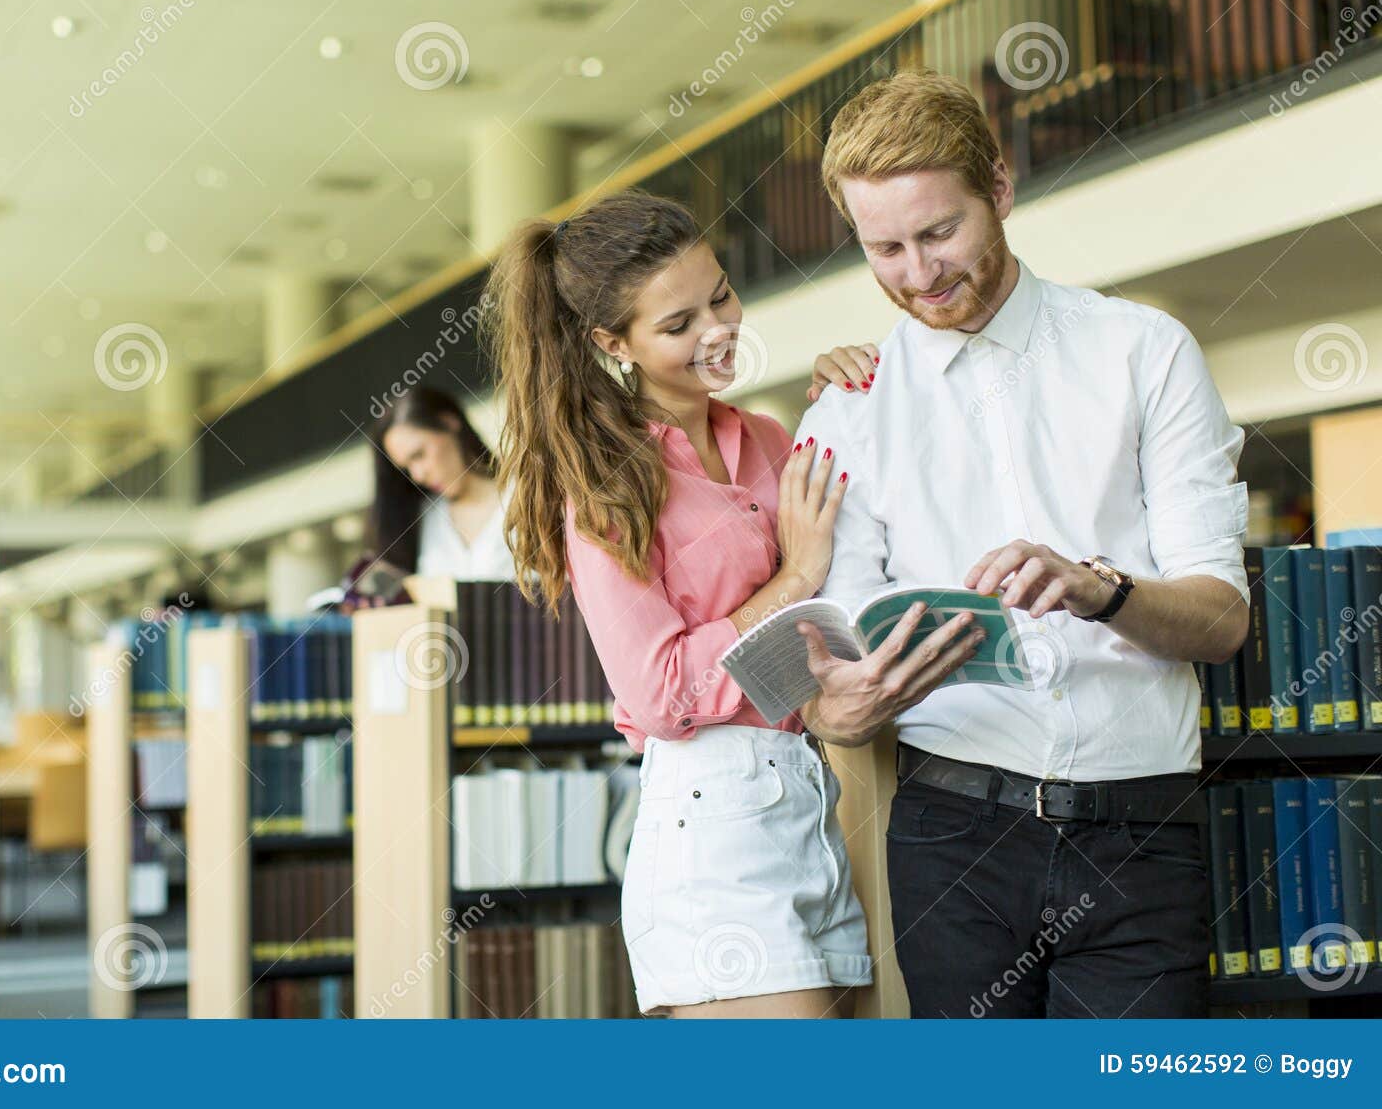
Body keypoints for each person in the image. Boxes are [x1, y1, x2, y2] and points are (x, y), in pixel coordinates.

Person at [794, 69, 1250, 1018]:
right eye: (885, 248)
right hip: (950, 840)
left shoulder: (1143, 351)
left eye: (939, 232)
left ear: (999, 188)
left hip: (1139, 833)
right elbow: (836, 706)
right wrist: (849, 700)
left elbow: (1221, 622)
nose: (918, 275)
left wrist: (1097, 587)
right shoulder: (850, 410)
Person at [485, 186, 907, 1019]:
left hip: (816, 803)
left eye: (720, 295)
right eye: (678, 325)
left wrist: (848, 401)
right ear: (616, 342)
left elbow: (844, 595)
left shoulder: (770, 439)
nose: (717, 330)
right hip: (712, 830)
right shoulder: (609, 486)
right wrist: (792, 583)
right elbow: (662, 693)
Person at [366, 387, 517, 585]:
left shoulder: (526, 493)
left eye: (419, 455)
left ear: (449, 422)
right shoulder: (425, 518)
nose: (418, 475)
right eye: (406, 468)